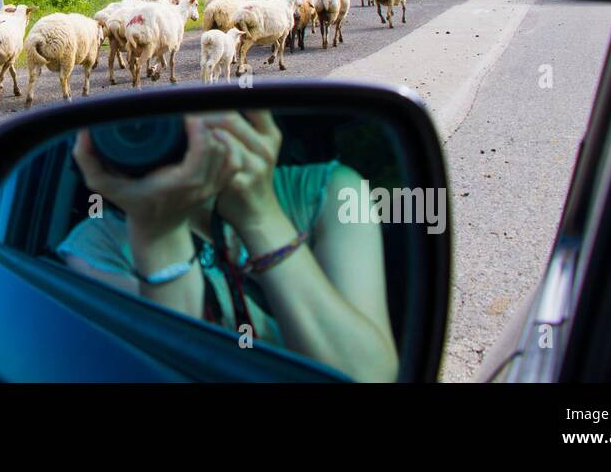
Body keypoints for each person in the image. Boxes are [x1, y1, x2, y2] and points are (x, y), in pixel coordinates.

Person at [57, 110, 399, 382]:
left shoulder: (333, 191)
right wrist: (157, 234)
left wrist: (260, 214)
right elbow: (177, 367)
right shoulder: (93, 246)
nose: (171, 127)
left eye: (192, 105)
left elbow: (368, 377)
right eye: (140, 119)